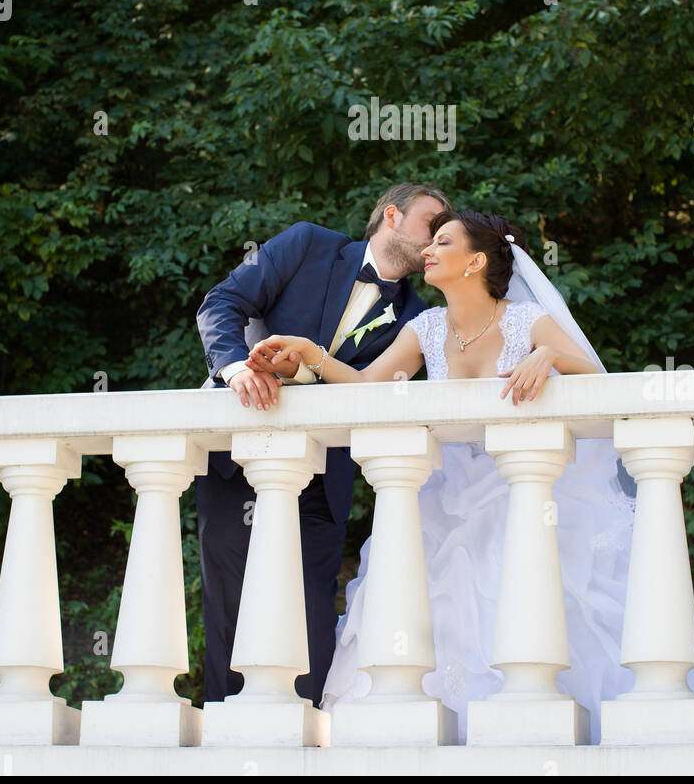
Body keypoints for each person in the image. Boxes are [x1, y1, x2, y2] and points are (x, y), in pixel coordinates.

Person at [251, 209, 646, 743]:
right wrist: (311, 354)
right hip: (443, 496)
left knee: (522, 604)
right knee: (433, 610)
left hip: (520, 492)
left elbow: (597, 379)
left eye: (442, 242)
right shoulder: (426, 327)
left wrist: (548, 355)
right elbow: (372, 385)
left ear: (476, 261)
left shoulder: (525, 320)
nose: (427, 251)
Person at [194, 181, 452, 707]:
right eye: (431, 225)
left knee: (312, 607)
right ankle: (222, 730)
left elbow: (377, 397)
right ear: (393, 217)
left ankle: (307, 734)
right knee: (229, 600)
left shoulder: (417, 319)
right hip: (239, 454)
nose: (435, 242)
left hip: (324, 474)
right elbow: (221, 302)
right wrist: (234, 366)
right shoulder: (307, 243)